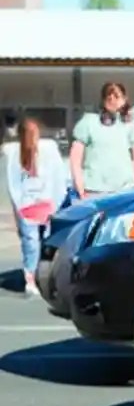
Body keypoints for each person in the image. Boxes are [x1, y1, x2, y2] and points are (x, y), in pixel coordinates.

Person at [5, 115, 68, 298]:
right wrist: (20, 207)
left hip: (45, 204)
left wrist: (54, 201)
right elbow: (14, 183)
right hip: (28, 206)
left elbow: (56, 176)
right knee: (31, 242)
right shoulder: (16, 154)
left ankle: (45, 276)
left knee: (47, 241)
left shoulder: (46, 150)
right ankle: (30, 277)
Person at [69, 82, 134, 199]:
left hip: (124, 189)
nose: (112, 100)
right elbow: (75, 157)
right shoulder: (89, 121)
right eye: (108, 97)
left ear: (124, 99)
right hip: (93, 189)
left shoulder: (130, 123)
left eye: (116, 97)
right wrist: (79, 185)